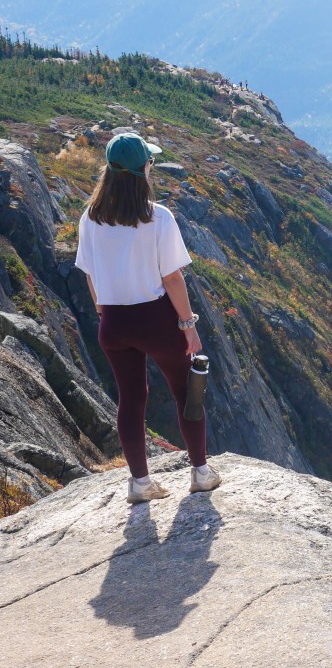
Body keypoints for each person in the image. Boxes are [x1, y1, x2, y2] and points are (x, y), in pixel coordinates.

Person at [74, 132, 221, 502]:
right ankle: (201, 473)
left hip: (114, 322)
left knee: (131, 399)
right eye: (150, 163)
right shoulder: (158, 218)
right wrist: (187, 324)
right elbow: (172, 278)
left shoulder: (89, 219)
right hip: (155, 319)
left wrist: (103, 311)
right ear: (144, 169)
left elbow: (90, 275)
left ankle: (139, 483)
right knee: (185, 391)